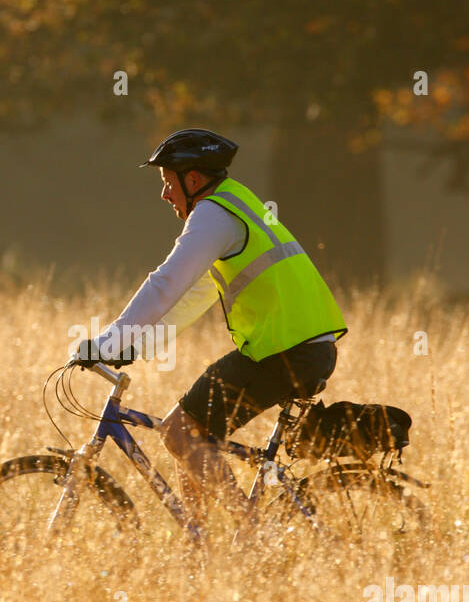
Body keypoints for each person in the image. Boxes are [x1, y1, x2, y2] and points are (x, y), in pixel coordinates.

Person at [70, 128, 347, 530]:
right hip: (301, 346)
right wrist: (137, 344)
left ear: (193, 180)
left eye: (168, 182)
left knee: (178, 432)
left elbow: (165, 283)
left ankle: (247, 530)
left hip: (283, 348)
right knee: (189, 435)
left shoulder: (213, 215)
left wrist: (108, 341)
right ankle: (200, 548)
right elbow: (196, 293)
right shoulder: (238, 202)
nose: (165, 195)